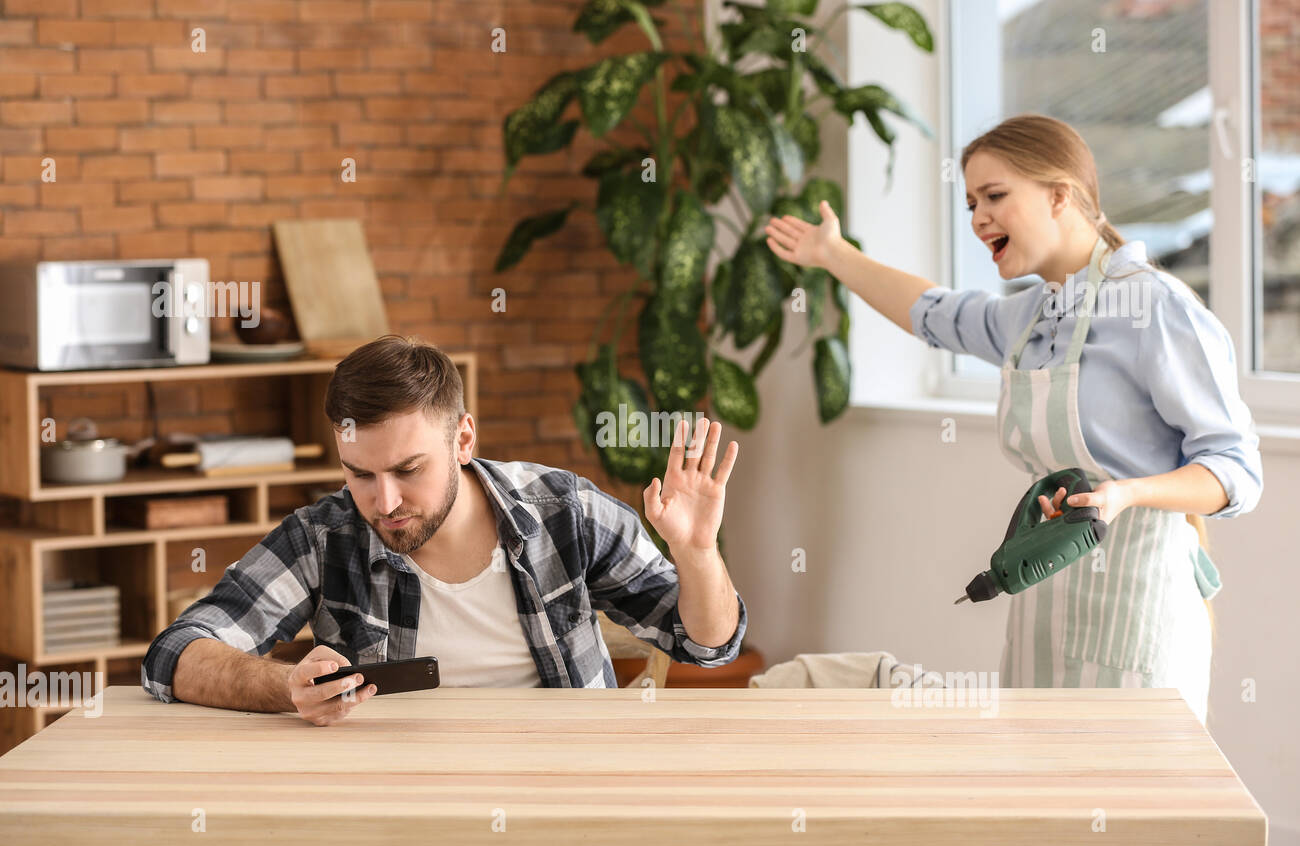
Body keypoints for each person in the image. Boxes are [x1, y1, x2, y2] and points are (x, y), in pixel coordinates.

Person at [764, 113, 1262, 726]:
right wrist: (834, 255)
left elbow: (1235, 472)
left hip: (1140, 604)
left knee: (1128, 804)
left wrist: (1128, 493)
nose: (977, 218)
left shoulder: (1155, 309)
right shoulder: (1029, 318)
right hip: (1046, 603)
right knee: (1043, 795)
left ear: (1061, 194)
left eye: (995, 196)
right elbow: (932, 313)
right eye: (971, 201)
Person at [142, 335, 746, 725]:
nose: (385, 501)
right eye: (360, 474)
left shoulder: (564, 512)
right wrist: (285, 686)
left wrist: (696, 554)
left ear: (462, 439)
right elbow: (173, 655)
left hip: (564, 794)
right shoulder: (325, 537)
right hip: (398, 805)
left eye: (408, 469)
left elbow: (709, 645)